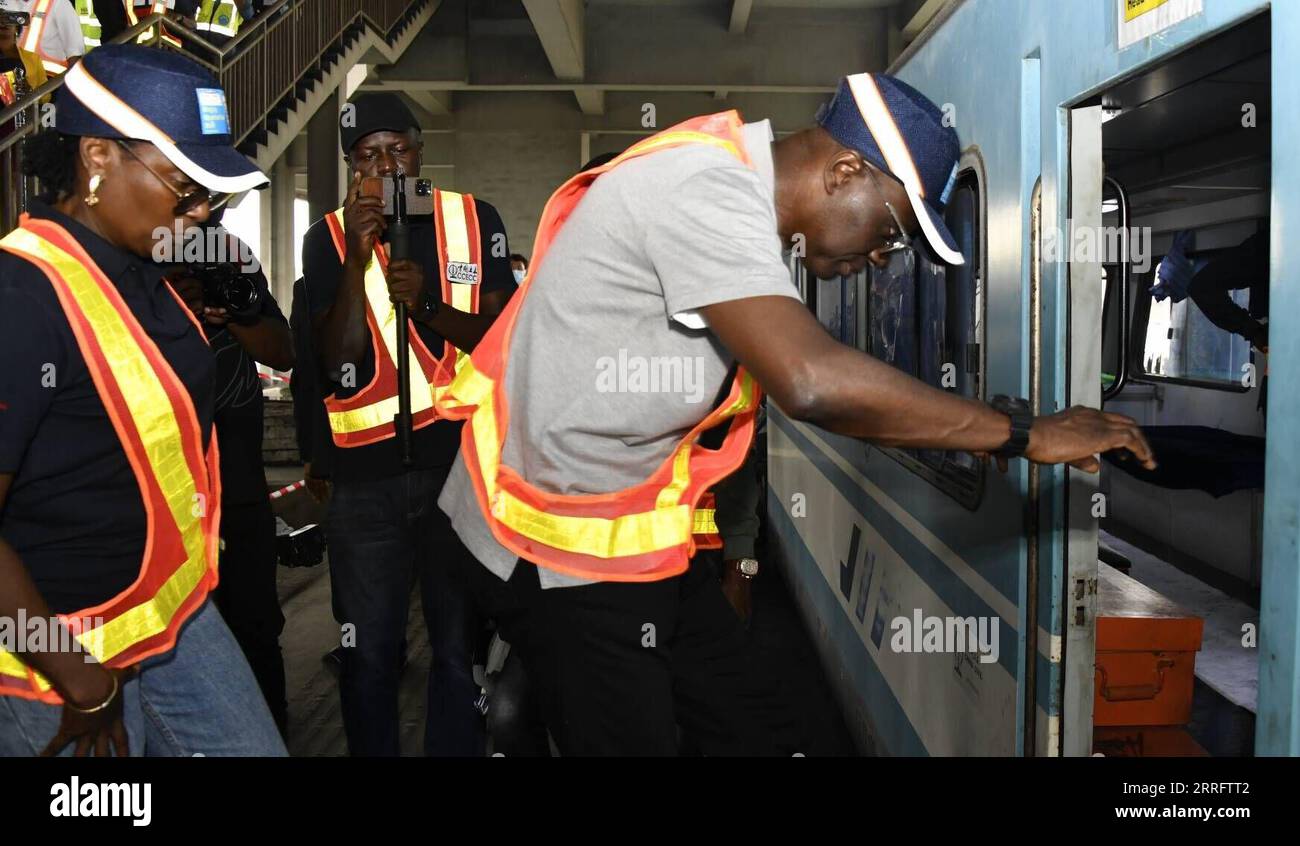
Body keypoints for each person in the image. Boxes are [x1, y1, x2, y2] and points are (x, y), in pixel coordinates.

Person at [435, 72, 1156, 756]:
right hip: (553, 549)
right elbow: (808, 382)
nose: (882, 256)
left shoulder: (738, 208)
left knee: (757, 729)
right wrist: (1023, 434)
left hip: (628, 532)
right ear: (845, 173)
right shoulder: (705, 189)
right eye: (893, 229)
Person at [0, 43, 284, 756]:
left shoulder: (146, 264)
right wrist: (78, 678)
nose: (200, 210)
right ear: (97, 157)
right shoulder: (21, 298)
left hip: (171, 620)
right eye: (183, 186)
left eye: (211, 194)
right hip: (49, 656)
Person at [302, 92, 517, 756]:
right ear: (349, 167)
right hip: (364, 488)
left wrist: (425, 304)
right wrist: (356, 264)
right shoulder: (328, 239)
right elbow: (333, 357)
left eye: (397, 150)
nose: (385, 168)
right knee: (368, 656)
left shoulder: (475, 221)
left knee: (458, 651)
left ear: (420, 151)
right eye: (366, 156)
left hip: (460, 475)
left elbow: (506, 339)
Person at [164, 211, 294, 734]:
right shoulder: (123, 257)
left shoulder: (228, 252)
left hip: (237, 492)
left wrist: (231, 315)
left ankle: (269, 737)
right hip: (159, 501)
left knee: (256, 632)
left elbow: (282, 352)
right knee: (168, 645)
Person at [2, 0, 83, 74]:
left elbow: (75, 55)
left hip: (50, 83)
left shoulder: (59, 3)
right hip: (11, 81)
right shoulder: (5, 3)